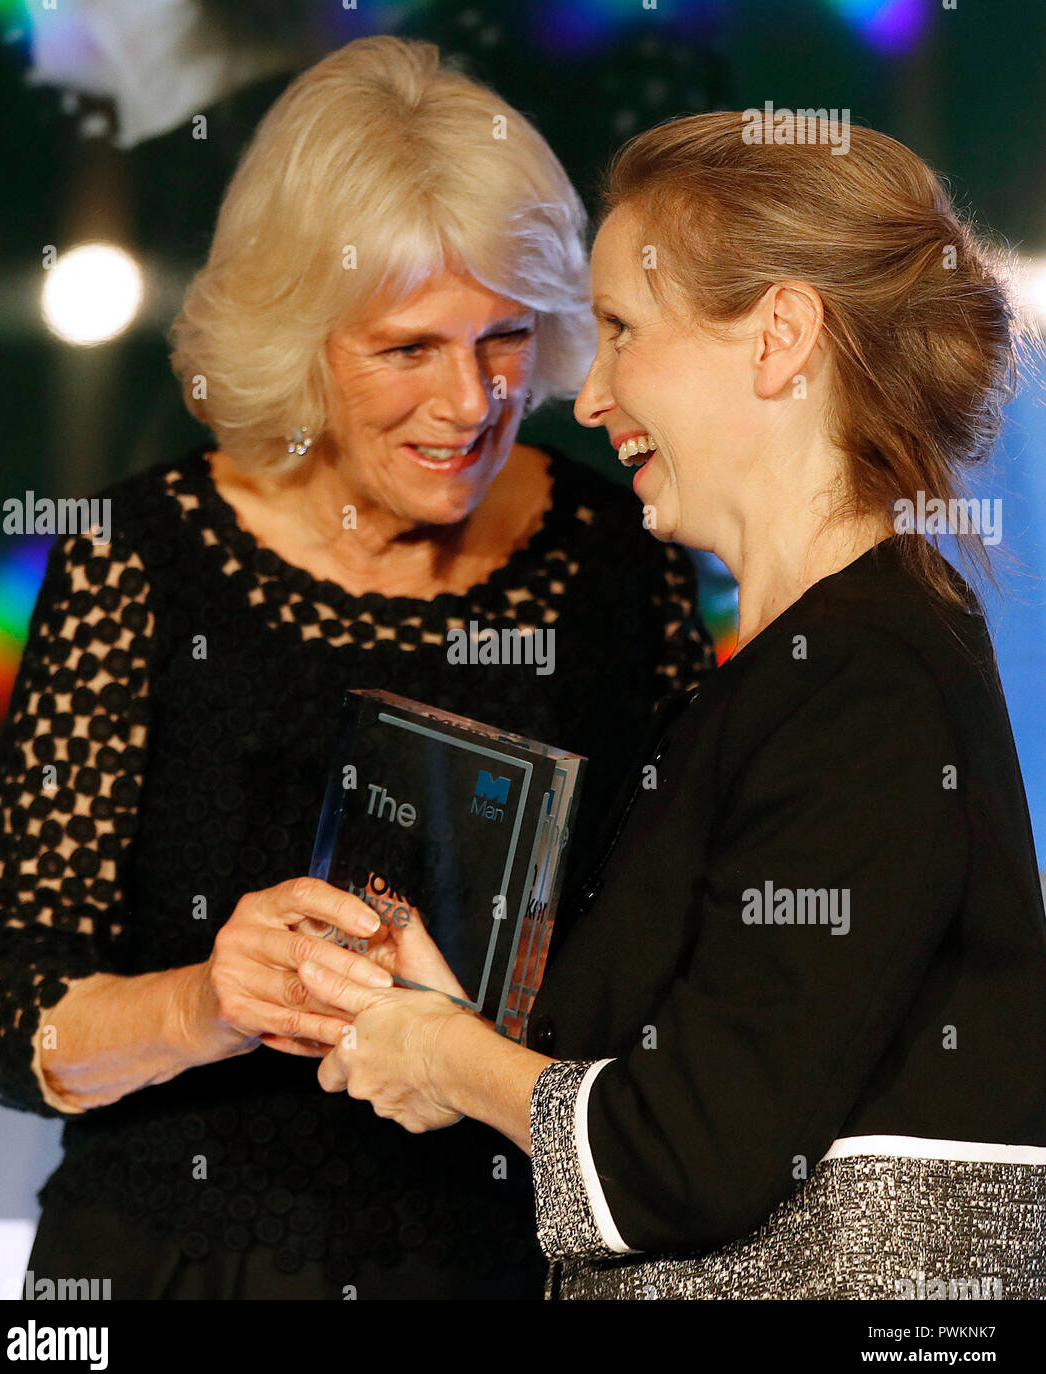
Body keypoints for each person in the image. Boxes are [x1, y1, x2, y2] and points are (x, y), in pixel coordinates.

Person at [0, 39, 715, 1300]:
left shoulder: (619, 559)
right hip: (179, 1263)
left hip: (517, 1266)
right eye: (407, 349)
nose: (470, 401)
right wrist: (207, 999)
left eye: (508, 337)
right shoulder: (140, 560)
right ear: (299, 336)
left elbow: (693, 956)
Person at [296, 111, 1046, 1299]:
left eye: (622, 332)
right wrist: (450, 1029)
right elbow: (710, 1080)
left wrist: (450, 1058)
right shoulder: (804, 667)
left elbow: (690, 1152)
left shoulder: (865, 672)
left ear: (779, 338)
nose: (588, 397)